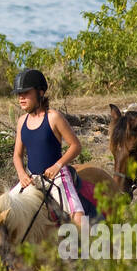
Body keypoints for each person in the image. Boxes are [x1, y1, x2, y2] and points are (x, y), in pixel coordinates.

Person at [11, 68, 87, 232]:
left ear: (40, 92)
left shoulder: (53, 117)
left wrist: (57, 166)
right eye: (19, 94)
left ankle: (90, 253)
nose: (21, 98)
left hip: (58, 176)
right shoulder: (21, 121)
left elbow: (75, 146)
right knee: (8, 211)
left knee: (79, 218)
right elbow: (17, 156)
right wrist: (22, 174)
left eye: (25, 93)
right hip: (31, 178)